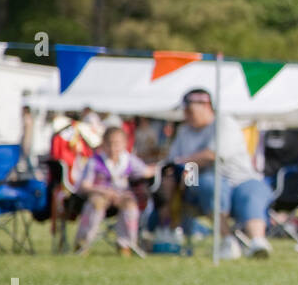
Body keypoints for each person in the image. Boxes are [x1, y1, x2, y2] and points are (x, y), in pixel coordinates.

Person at [163, 88, 274, 258]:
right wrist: (183, 174)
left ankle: (257, 242)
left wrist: (183, 162)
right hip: (200, 181)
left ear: (206, 106)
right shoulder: (184, 132)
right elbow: (175, 163)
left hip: (240, 179)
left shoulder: (224, 122)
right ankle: (227, 241)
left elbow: (213, 155)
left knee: (252, 194)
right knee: (209, 185)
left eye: (189, 109)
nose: (186, 114)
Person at [73, 126, 153, 256]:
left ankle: (126, 244)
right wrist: (103, 191)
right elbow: (84, 185)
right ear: (103, 144)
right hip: (99, 195)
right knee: (96, 203)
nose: (113, 148)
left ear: (124, 144)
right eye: (109, 144)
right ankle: (83, 242)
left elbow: (145, 171)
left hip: (120, 196)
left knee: (130, 204)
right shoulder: (95, 161)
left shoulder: (128, 160)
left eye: (117, 144)